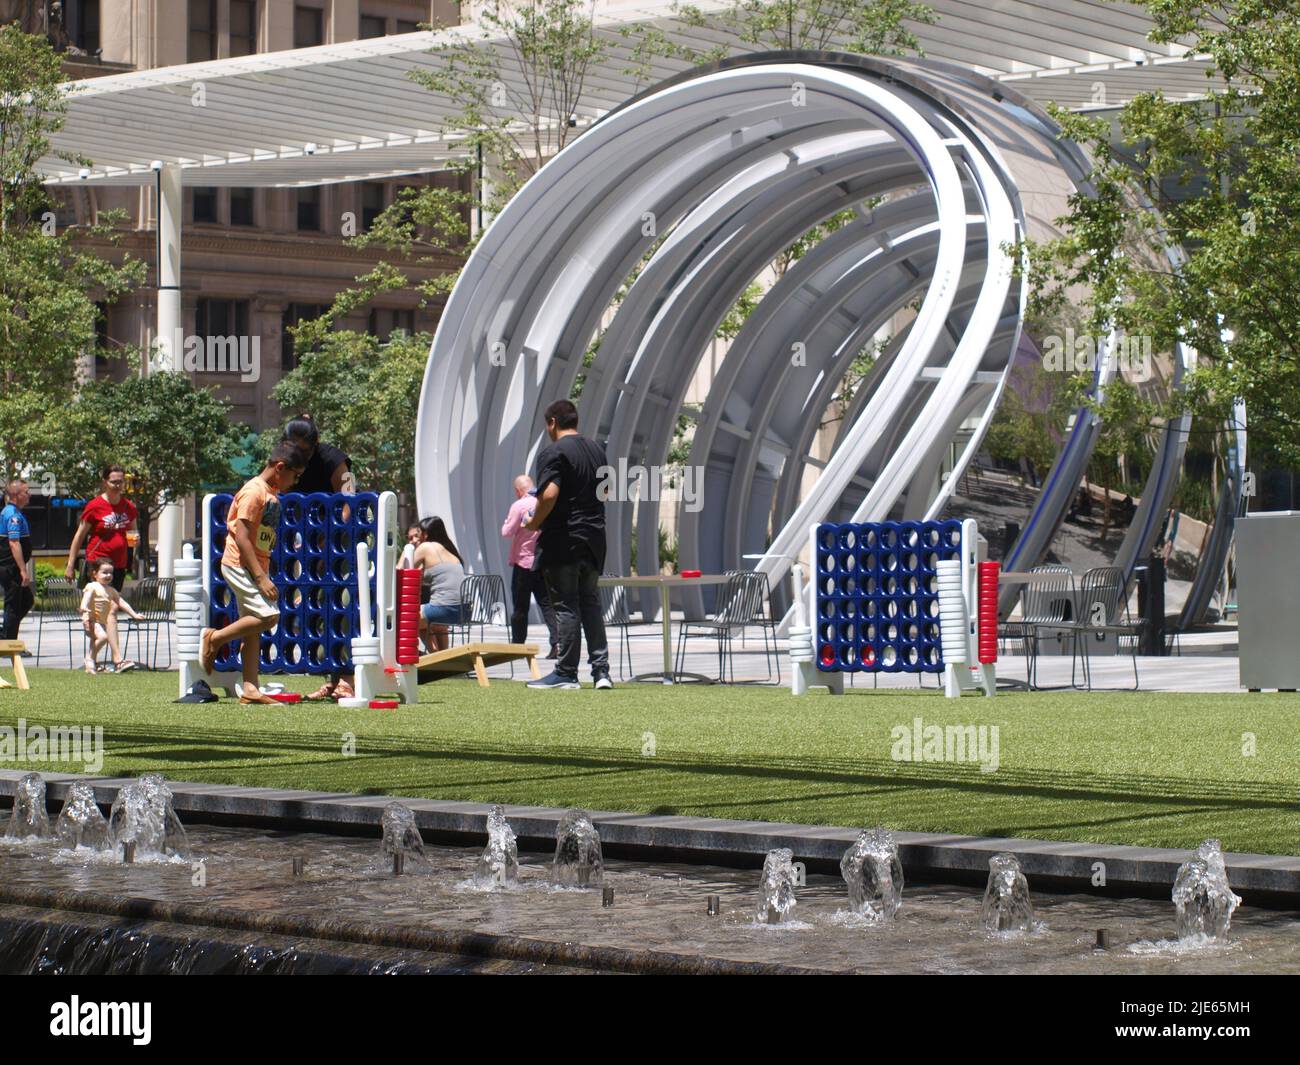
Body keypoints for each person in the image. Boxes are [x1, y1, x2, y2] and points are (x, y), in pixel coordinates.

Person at [200, 442, 306, 704]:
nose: (295, 482)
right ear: (280, 468)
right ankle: (214, 637)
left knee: (252, 629)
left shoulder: (269, 492)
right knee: (269, 616)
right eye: (295, 475)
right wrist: (260, 576)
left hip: (254, 566)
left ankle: (250, 688)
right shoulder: (253, 492)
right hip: (240, 565)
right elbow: (243, 537)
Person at [524, 400, 612, 690]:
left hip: (564, 540)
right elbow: (606, 491)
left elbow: (548, 494)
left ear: (552, 423)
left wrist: (533, 522)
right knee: (590, 603)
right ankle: (601, 673)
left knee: (565, 606)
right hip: (595, 539)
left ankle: (566, 672)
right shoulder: (598, 450)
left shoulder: (553, 452)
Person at [284, 414, 359, 701]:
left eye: (303, 447)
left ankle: (348, 679)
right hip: (309, 546)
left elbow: (349, 497)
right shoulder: (289, 461)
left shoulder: (334, 458)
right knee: (317, 611)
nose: (298, 453)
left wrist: (333, 534)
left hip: (340, 546)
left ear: (315, 444)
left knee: (341, 609)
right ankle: (331, 678)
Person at [501, 474, 558, 657]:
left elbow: (506, 532)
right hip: (542, 561)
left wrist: (508, 523)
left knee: (520, 605)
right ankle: (557, 644)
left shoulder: (519, 505)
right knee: (547, 604)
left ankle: (518, 645)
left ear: (518, 491)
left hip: (523, 563)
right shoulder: (543, 502)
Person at [65, 465, 137, 591]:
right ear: (105, 483)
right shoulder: (94, 506)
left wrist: (133, 544)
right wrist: (70, 565)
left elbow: (133, 532)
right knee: (97, 602)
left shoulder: (129, 507)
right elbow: (79, 536)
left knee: (113, 604)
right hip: (97, 564)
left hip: (119, 564)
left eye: (120, 482)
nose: (117, 486)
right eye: (113, 482)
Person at [410, 517, 466, 652]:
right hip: (463, 611)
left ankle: (434, 656)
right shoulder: (451, 552)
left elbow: (402, 568)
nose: (416, 540)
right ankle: (443, 657)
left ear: (426, 534)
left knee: (410, 618)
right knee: (434, 622)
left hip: (443, 610)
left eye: (418, 534)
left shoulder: (426, 547)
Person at [79, 559, 142, 674]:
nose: (108, 575)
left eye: (110, 573)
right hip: (90, 619)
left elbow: (122, 602)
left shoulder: (111, 590)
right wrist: (83, 606)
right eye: (104, 572)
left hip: (101, 621)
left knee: (96, 640)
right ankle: (89, 657)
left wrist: (134, 614)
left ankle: (91, 666)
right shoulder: (92, 586)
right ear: (95, 573)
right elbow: (87, 597)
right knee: (103, 637)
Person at [282, 413, 354, 495]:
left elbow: (349, 500)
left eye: (303, 451)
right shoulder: (284, 462)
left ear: (315, 444)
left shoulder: (335, 459)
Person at [0, 479, 34, 643]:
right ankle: (8, 642)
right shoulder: (12, 515)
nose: (29, 495)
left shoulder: (14, 512)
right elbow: (14, 543)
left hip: (11, 567)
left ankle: (5, 632)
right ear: (15, 495)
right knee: (13, 604)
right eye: (26, 492)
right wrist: (22, 570)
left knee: (26, 600)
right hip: (10, 567)